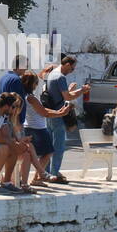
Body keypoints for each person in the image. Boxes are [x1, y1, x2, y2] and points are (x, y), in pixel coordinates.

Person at [20, 71, 72, 187]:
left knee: (42, 153)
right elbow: (44, 113)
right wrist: (60, 114)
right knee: (48, 153)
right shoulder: (31, 98)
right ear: (32, 84)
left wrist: (58, 112)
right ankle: (37, 177)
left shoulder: (26, 97)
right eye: (36, 83)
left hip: (32, 127)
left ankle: (37, 177)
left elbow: (43, 110)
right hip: (37, 129)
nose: (36, 85)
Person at [43, 55, 85, 183]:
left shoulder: (51, 74)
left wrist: (71, 90)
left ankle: (48, 171)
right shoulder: (60, 77)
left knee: (49, 146)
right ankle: (54, 173)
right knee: (59, 146)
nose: (71, 71)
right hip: (59, 115)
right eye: (72, 69)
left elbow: (59, 94)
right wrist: (82, 90)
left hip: (50, 113)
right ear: (67, 65)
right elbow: (67, 97)